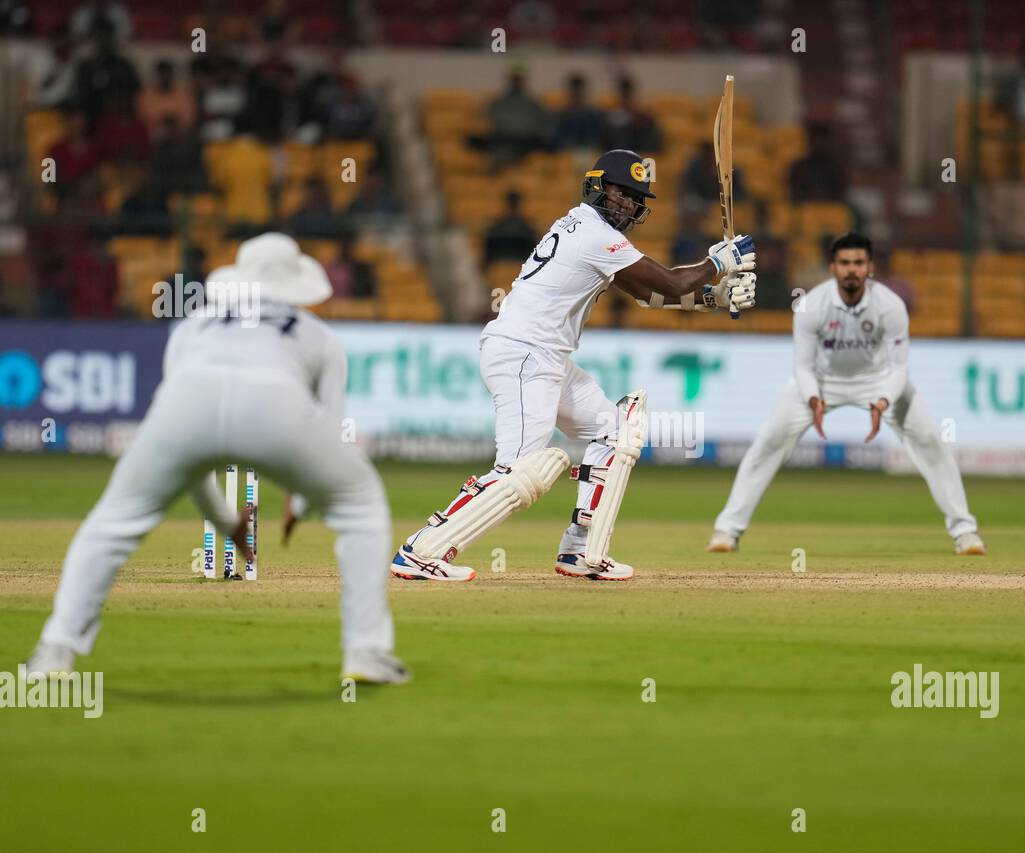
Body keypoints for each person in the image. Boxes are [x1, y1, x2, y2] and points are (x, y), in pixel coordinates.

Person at [23, 233, 406, 685]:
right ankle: (365, 651)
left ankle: (55, 650)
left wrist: (228, 525)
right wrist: (301, 505)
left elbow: (191, 465)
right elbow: (333, 434)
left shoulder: (193, 325)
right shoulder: (317, 336)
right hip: (275, 405)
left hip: (189, 400)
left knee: (112, 522)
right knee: (360, 503)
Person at [390, 148, 758, 583]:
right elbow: (671, 282)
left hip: (543, 356)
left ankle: (580, 549)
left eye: (633, 199)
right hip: (525, 353)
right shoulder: (595, 234)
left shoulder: (587, 228)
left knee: (614, 430)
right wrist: (717, 263)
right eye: (620, 193)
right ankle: (422, 550)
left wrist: (715, 296)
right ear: (598, 187)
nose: (624, 203)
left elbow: (647, 294)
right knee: (520, 472)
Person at [707, 232, 986, 556]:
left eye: (858, 263)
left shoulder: (891, 306)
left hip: (879, 379)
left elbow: (898, 369)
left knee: (930, 441)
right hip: (821, 381)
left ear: (870, 268)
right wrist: (814, 399)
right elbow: (803, 367)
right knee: (768, 441)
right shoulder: (812, 304)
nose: (851, 269)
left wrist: (883, 402)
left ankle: (965, 532)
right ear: (833, 267)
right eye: (844, 263)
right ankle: (727, 531)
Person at [483, 190, 536, 264]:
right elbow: (487, 256)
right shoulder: (496, 228)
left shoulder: (527, 229)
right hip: (499, 269)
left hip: (520, 268)